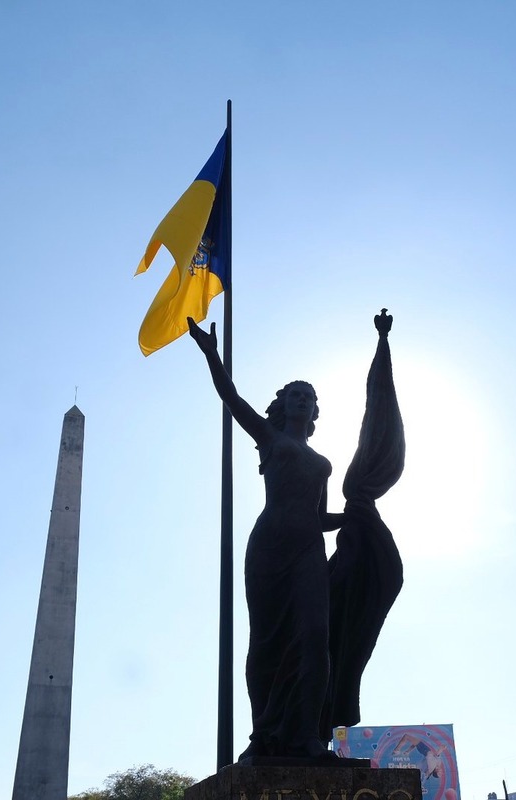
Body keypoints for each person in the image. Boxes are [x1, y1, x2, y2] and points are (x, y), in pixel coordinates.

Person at [187, 316, 344, 761]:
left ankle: (309, 738)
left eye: (309, 398)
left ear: (315, 411)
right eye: (295, 395)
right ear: (284, 405)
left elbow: (321, 517)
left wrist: (355, 518)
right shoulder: (270, 438)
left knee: (315, 636)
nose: (301, 400)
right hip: (269, 550)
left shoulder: (322, 462)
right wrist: (211, 353)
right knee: (267, 642)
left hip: (309, 551)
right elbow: (231, 397)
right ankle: (265, 735)